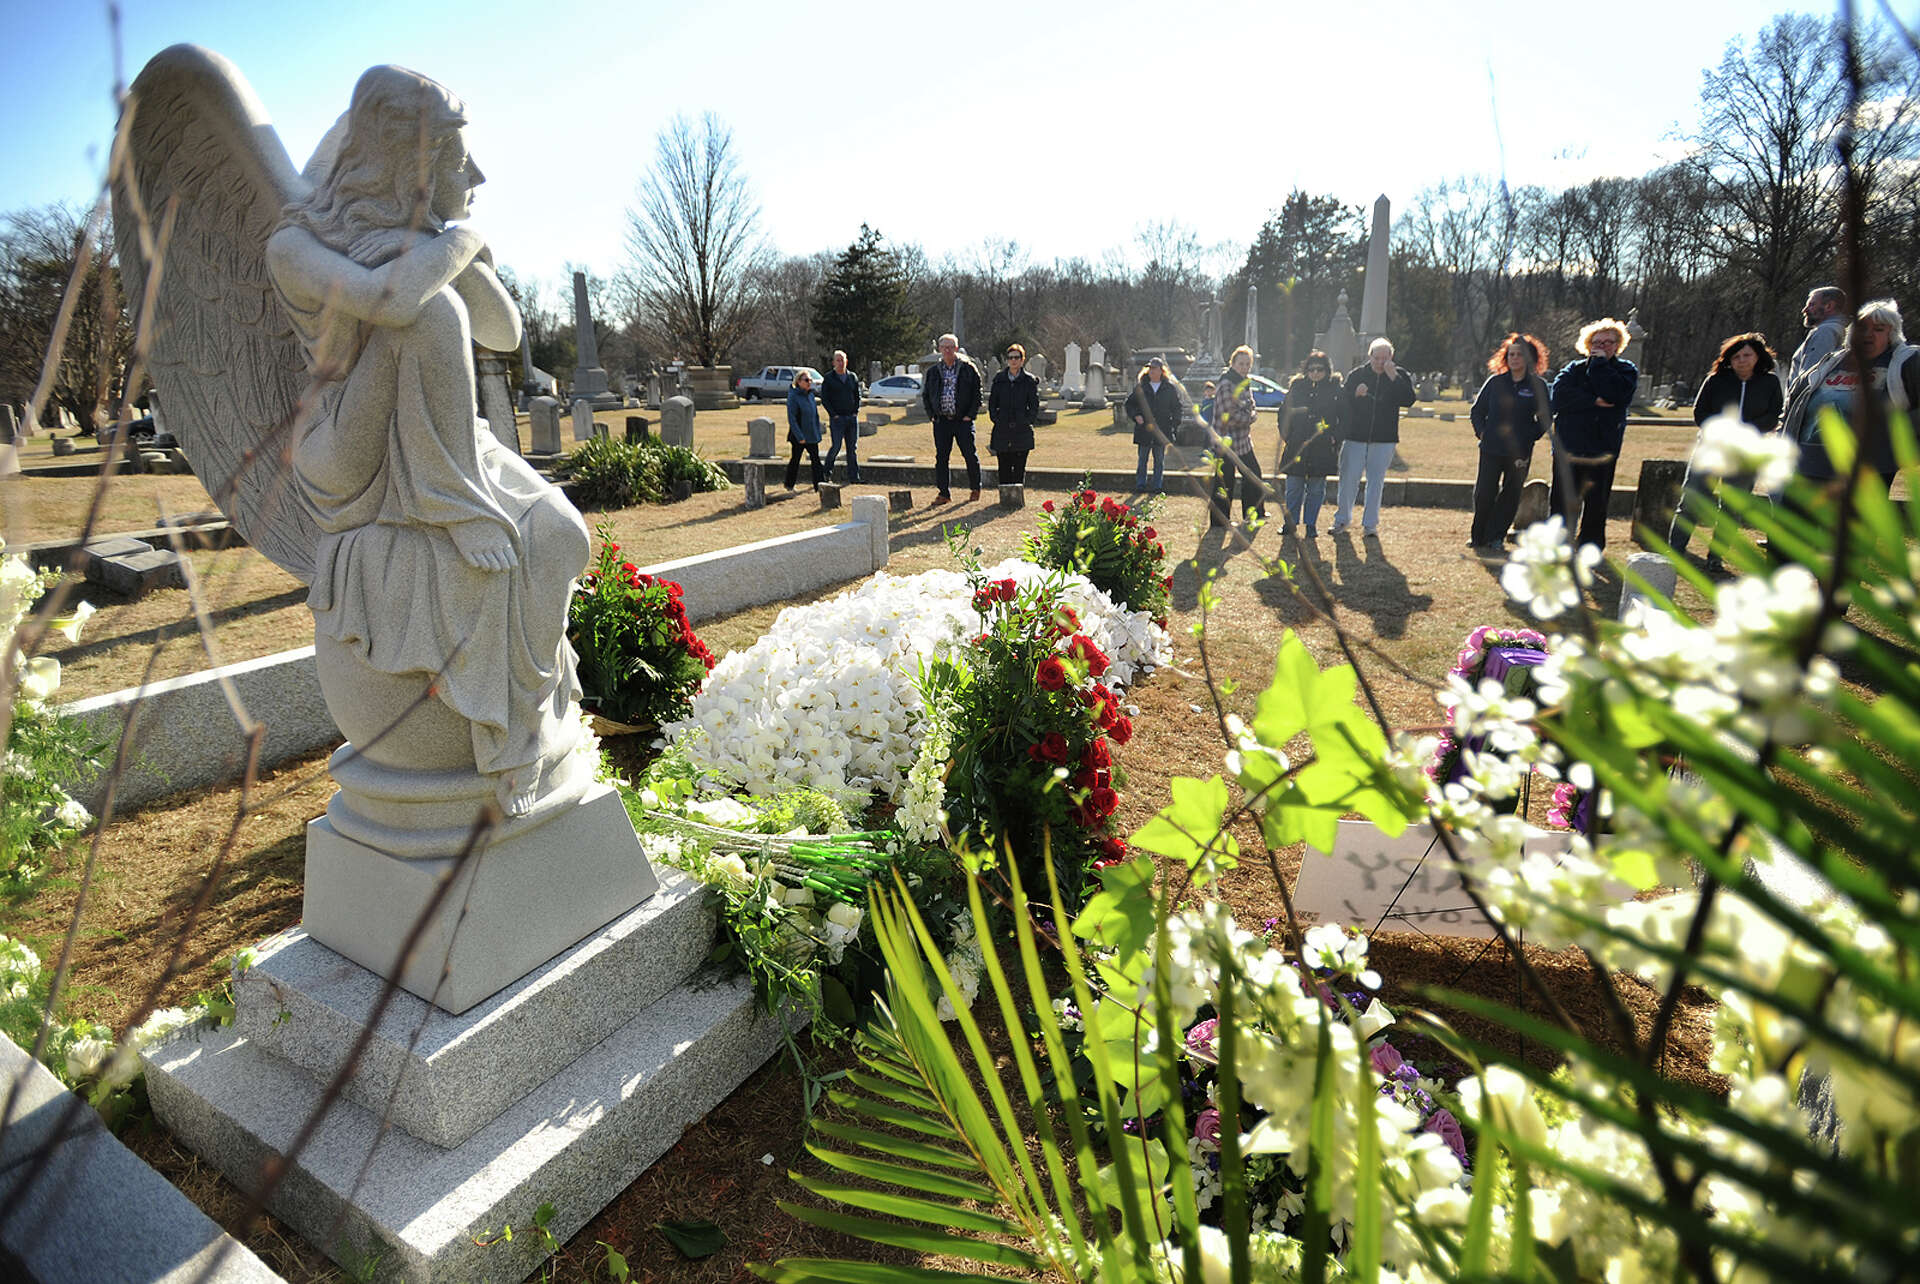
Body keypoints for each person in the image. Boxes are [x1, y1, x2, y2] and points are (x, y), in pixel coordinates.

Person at [269, 65, 591, 819]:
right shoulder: (296, 243)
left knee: (564, 535)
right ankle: (457, 511)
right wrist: (462, 241)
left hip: (446, 436)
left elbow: (506, 333)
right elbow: (396, 301)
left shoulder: (429, 240)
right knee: (432, 313)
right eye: (454, 157)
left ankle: (521, 722)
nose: (475, 175)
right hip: (353, 450)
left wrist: (450, 243)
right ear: (410, 165)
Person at [1670, 334, 1784, 563]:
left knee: (1731, 508)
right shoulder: (1716, 381)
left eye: (1747, 355)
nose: (1742, 360)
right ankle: (1674, 552)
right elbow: (1701, 413)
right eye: (1736, 357)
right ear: (1728, 360)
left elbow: (1774, 414)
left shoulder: (1769, 382)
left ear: (1758, 357)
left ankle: (1716, 557)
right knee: (1692, 501)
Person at [1782, 298, 1916, 486]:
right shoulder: (1831, 361)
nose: (1868, 335)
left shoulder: (1907, 361)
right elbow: (1796, 399)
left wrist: (1896, 434)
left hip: (1868, 469)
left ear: (1892, 334)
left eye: (1879, 329)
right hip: (1810, 462)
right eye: (1863, 328)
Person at [1549, 318, 1639, 552]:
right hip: (1569, 446)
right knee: (1561, 501)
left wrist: (1599, 367)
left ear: (1618, 345)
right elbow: (1558, 398)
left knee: (1596, 503)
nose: (1602, 346)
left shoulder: (1626, 371)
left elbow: (1615, 394)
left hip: (1603, 448)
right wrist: (1593, 401)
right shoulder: (1573, 369)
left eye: (1609, 342)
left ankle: (1590, 546)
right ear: (1587, 344)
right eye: (1597, 342)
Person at [1467, 333, 1553, 554]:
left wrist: (1529, 436)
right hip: (1491, 448)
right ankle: (1478, 537)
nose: (1515, 358)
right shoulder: (1495, 382)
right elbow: (1477, 411)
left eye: (1520, 355)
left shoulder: (1537, 386)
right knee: (1484, 493)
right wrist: (1482, 433)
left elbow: (1545, 417)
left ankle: (1496, 536)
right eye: (1511, 354)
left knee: (1510, 494)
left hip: (1519, 452)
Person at [1334, 338, 1416, 536]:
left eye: (1384, 358)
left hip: (1384, 439)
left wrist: (1393, 377)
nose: (1380, 362)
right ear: (1369, 356)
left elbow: (1409, 400)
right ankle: (1342, 520)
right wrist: (1355, 394)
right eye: (1376, 357)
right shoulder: (1357, 375)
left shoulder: (1399, 375)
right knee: (1348, 480)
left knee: (1376, 482)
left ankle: (1370, 525)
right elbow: (1342, 403)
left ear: (1391, 358)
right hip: (1355, 437)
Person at [1277, 350, 1343, 538]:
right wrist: (1287, 436)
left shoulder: (1335, 390)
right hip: (1297, 444)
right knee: (1293, 488)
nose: (1315, 373)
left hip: (1321, 446)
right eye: (1311, 369)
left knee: (1316, 489)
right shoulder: (1297, 388)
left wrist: (1334, 438)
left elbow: (1344, 418)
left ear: (1327, 371)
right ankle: (1290, 523)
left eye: (1319, 369)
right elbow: (1283, 414)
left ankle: (1311, 524)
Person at [920, 332, 982, 505]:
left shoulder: (968, 369)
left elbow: (977, 393)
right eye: (944, 347)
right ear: (939, 349)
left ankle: (975, 488)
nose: (947, 350)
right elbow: (926, 395)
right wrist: (932, 415)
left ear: (956, 348)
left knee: (970, 455)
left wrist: (970, 415)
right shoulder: (933, 371)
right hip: (942, 421)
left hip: (962, 420)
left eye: (950, 347)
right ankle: (943, 493)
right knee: (941, 458)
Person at [1208, 345, 1265, 529]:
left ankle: (1253, 513)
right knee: (1225, 481)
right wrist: (1250, 417)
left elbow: (1252, 405)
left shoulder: (1245, 382)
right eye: (1241, 363)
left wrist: (1249, 414)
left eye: (1248, 364)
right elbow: (1229, 416)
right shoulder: (1226, 384)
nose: (1244, 367)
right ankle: (1219, 521)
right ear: (1232, 363)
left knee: (1254, 475)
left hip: (1243, 441)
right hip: (1225, 441)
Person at [1125, 356, 1182, 492]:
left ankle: (1157, 486)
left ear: (1161, 371)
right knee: (1142, 460)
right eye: (1150, 369)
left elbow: (1177, 408)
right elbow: (1130, 404)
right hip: (1143, 430)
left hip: (1162, 430)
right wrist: (1136, 416)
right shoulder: (1141, 387)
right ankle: (1140, 484)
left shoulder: (1169, 388)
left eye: (1155, 369)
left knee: (1159, 461)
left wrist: (1173, 424)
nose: (1152, 371)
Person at [987, 343, 1040, 485]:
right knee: (1003, 468)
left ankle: (1016, 498)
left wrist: (1027, 420)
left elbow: (1034, 405)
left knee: (1019, 468)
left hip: (1021, 430)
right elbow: (992, 403)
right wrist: (996, 419)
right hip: (1002, 429)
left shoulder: (1029, 381)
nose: (1013, 360)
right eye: (1010, 357)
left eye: (1017, 357)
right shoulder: (999, 379)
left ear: (1022, 360)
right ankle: (1005, 498)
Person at [1785, 285, 1848, 389]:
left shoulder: (1824, 332)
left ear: (1829, 306)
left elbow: (1809, 377)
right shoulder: (1842, 330)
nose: (1804, 310)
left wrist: (1794, 400)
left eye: (1811, 305)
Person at [819, 349, 863, 483]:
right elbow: (825, 399)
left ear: (846, 361)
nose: (840, 363)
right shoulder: (828, 378)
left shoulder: (852, 377)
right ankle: (826, 472)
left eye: (842, 360)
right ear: (833, 362)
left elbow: (857, 395)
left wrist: (856, 411)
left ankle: (854, 477)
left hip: (851, 418)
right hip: (837, 419)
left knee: (852, 449)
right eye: (837, 360)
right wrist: (834, 415)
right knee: (836, 446)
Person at [785, 369, 825, 490]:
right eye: (806, 380)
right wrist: (800, 436)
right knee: (795, 460)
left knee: (816, 460)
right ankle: (789, 484)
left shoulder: (811, 395)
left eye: (810, 380)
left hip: (812, 434)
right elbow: (792, 418)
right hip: (799, 436)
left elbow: (815, 415)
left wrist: (817, 432)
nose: (809, 382)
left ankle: (820, 485)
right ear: (799, 381)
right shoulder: (793, 396)